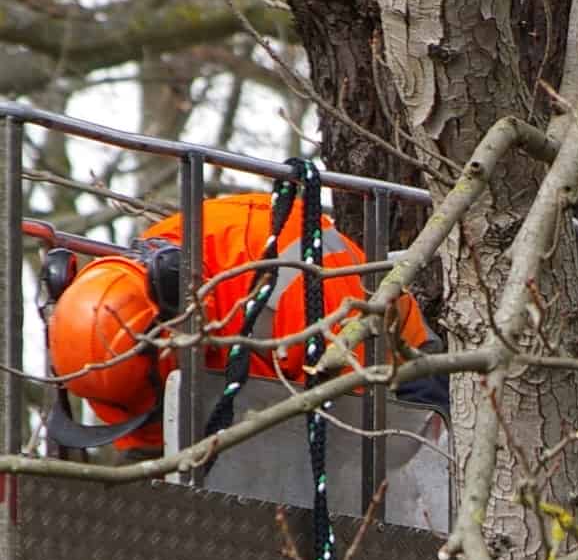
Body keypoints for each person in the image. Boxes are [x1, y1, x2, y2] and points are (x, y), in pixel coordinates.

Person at [42, 188, 433, 451]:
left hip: (401, 383)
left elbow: (354, 435)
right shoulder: (110, 314)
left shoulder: (311, 286)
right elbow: (153, 437)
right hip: (254, 400)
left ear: (176, 329)